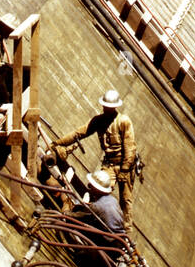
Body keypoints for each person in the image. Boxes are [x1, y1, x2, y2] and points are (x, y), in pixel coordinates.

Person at [52, 90, 137, 222]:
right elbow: (78, 134)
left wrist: (125, 169)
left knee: (125, 200)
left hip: (125, 166)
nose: (105, 109)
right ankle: (90, 217)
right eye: (105, 106)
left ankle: (125, 229)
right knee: (97, 189)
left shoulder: (123, 121)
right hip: (110, 165)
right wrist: (58, 143)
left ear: (115, 107)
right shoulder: (98, 121)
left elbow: (130, 147)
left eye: (109, 107)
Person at [84, 169, 124, 233]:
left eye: (91, 185)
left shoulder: (96, 206)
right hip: (120, 234)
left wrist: (68, 213)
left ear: (96, 188)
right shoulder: (113, 200)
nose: (89, 186)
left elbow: (82, 216)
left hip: (107, 236)